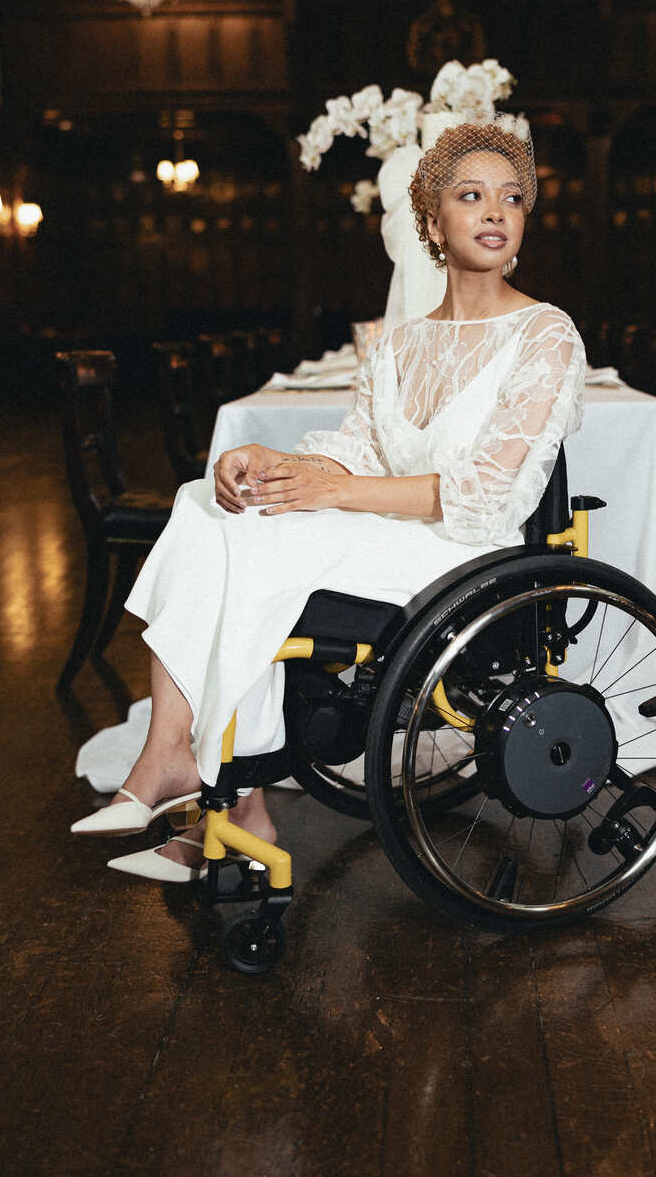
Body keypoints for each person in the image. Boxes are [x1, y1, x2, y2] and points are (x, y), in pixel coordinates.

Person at [71, 120, 591, 879]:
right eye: (470, 195)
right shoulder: (401, 344)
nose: (495, 212)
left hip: (466, 552)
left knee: (254, 540)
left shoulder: (546, 334)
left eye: (512, 198)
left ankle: (211, 784)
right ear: (432, 221)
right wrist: (275, 463)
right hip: (394, 529)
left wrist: (336, 491)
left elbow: (485, 497)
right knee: (213, 502)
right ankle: (190, 768)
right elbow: (363, 449)